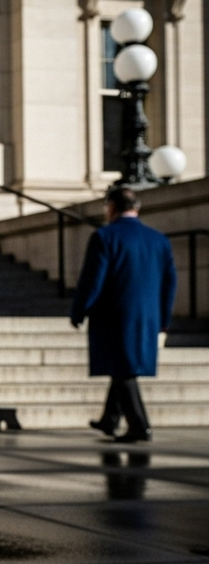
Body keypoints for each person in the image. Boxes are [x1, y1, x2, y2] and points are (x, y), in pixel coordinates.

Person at [71, 187, 177, 443]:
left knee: (123, 369)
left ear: (111, 207)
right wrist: (163, 318)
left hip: (115, 315)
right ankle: (110, 418)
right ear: (136, 208)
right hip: (148, 315)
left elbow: (93, 279)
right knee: (123, 365)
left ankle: (140, 425)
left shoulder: (105, 237)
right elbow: (170, 282)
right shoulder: (159, 239)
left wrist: (79, 309)